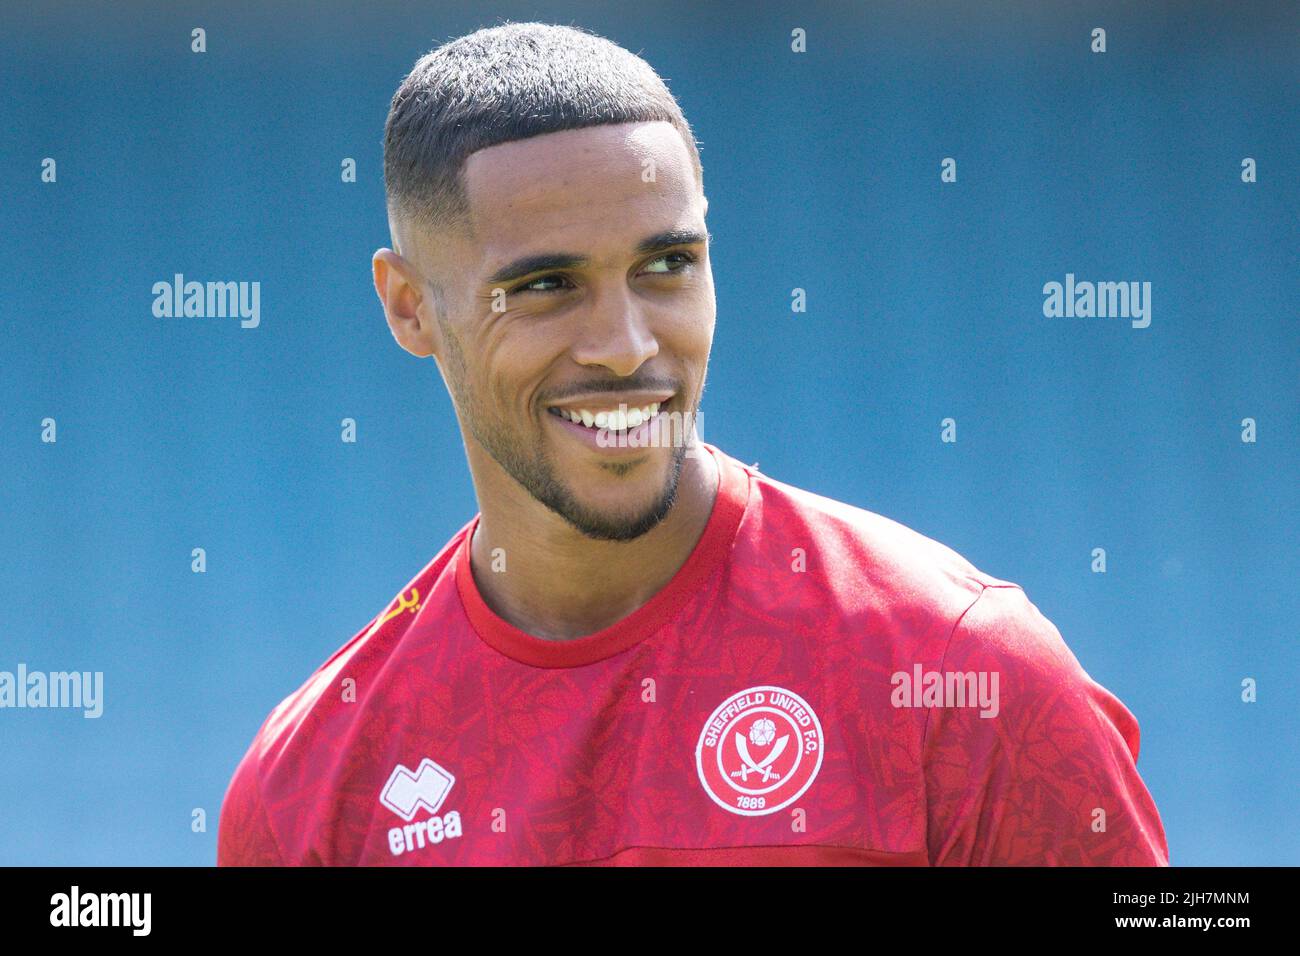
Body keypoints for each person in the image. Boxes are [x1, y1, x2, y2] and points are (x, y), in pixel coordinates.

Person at [217, 21, 1168, 866]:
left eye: (667, 265)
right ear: (409, 306)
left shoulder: (962, 678)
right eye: (547, 285)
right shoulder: (312, 789)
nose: (627, 344)